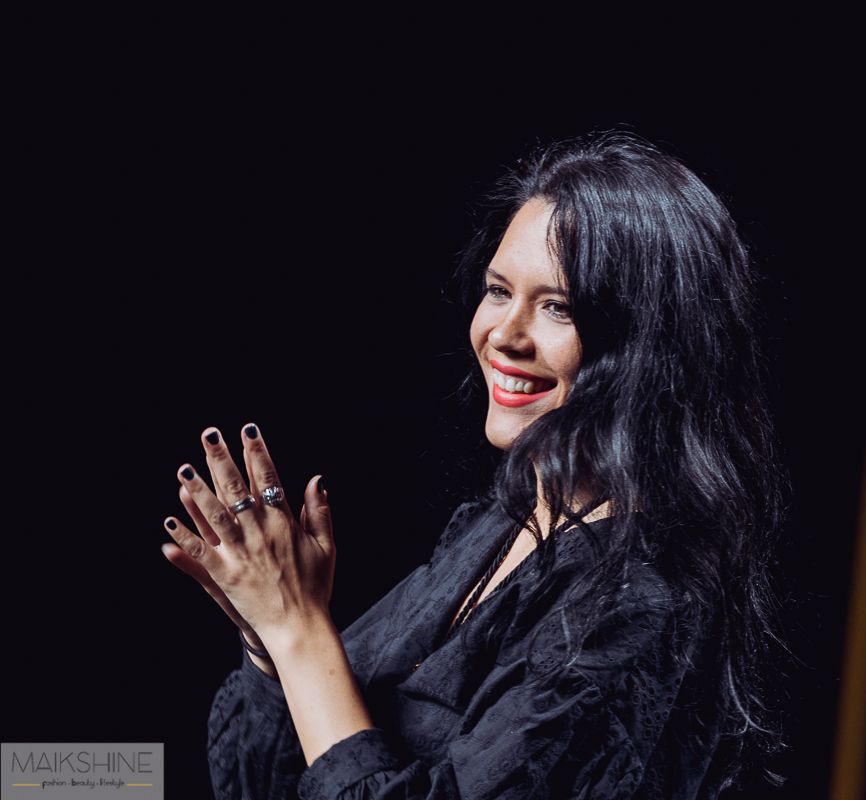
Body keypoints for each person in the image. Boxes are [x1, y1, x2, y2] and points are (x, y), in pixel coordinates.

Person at [161, 132, 787, 799]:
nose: (505, 335)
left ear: (646, 345)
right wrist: (271, 633)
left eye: (558, 307)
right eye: (498, 291)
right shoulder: (490, 530)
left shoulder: (639, 606)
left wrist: (299, 628)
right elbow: (266, 785)